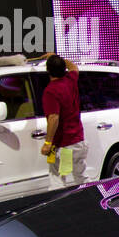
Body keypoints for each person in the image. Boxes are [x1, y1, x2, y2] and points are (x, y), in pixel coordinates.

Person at [41, 54, 86, 188]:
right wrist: (56, 57)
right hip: (77, 141)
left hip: (63, 145)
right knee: (80, 177)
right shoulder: (70, 80)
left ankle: (59, 208)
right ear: (63, 69)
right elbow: (74, 67)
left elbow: (54, 118)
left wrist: (48, 143)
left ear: (48, 70)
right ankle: (92, 203)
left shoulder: (51, 91)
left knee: (58, 181)